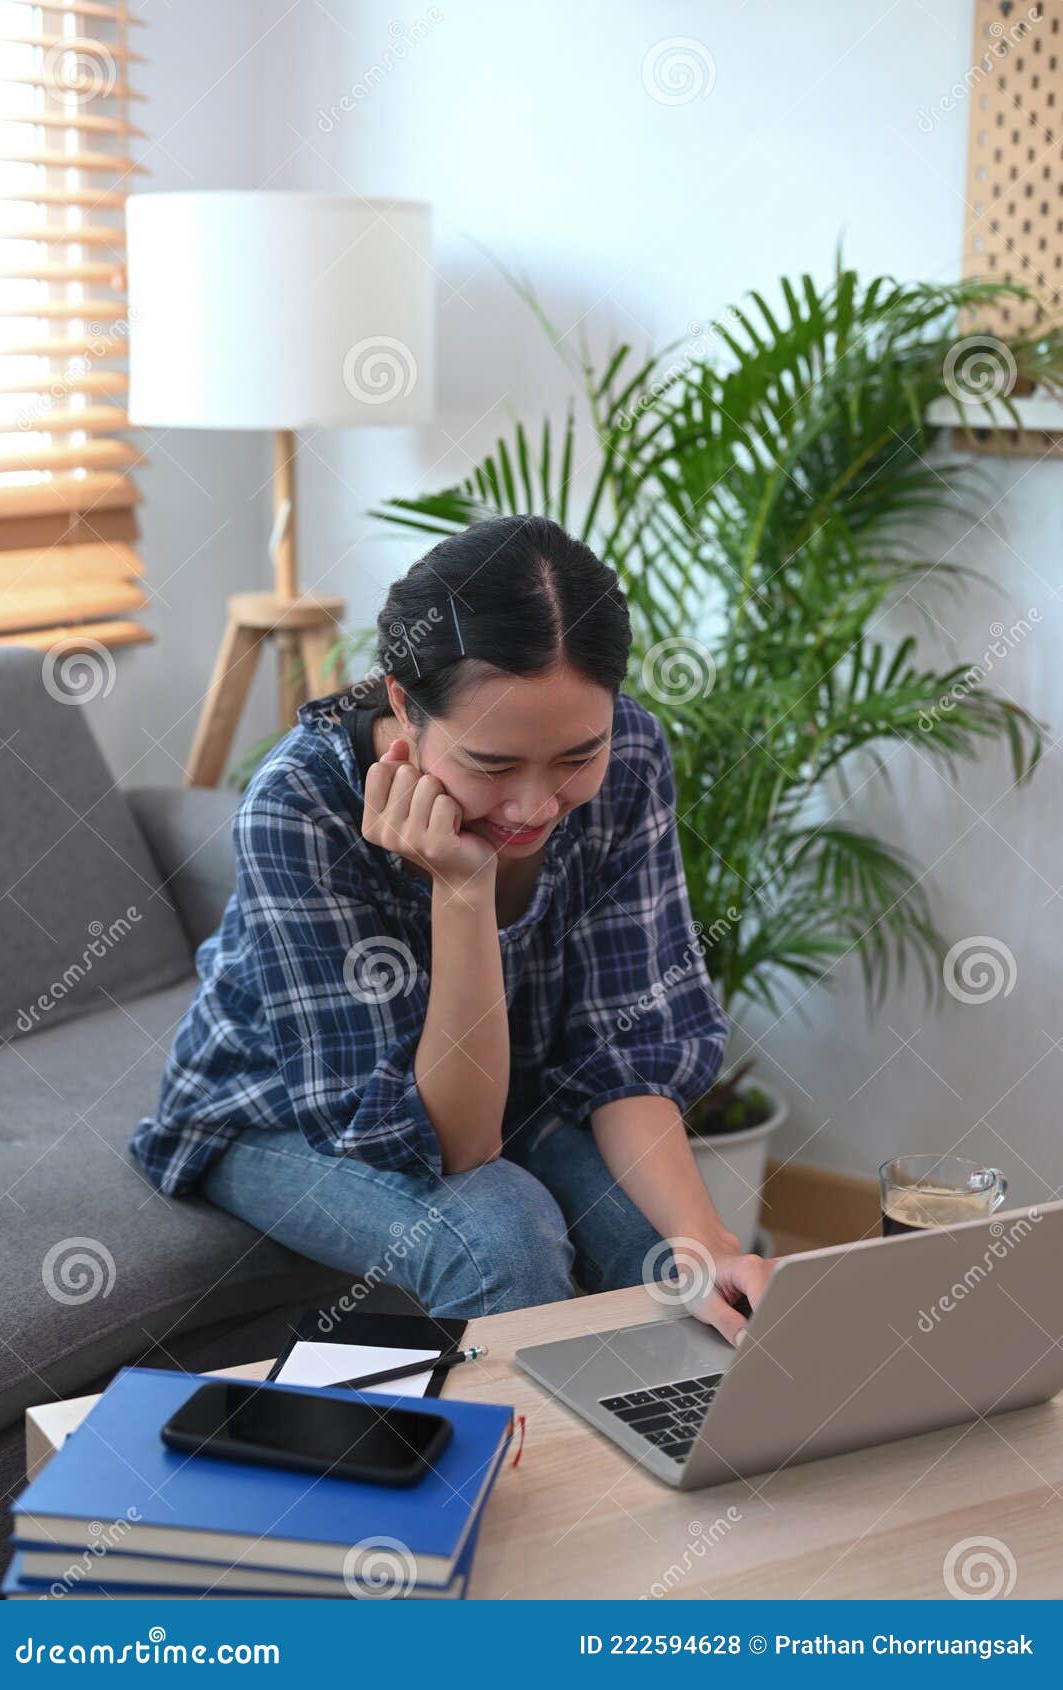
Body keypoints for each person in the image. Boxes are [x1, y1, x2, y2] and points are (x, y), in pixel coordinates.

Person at [130, 515, 774, 1344]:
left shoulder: (634, 756)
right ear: (404, 703)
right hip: (273, 1114)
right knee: (501, 1236)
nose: (535, 807)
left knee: (662, 1253)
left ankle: (676, 1455)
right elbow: (461, 1145)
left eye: (577, 757)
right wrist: (462, 892)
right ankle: (535, 1470)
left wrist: (708, 1244)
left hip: (518, 1090)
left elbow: (627, 1047)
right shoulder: (297, 810)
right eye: (492, 765)